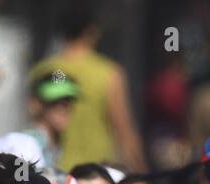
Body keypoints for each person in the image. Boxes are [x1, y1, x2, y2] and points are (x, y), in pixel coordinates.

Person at [29, 0, 146, 172]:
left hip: (52, 172)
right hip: (96, 175)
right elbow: (124, 131)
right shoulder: (108, 73)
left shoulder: (43, 70)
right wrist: (142, 171)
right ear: (92, 31)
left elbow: (34, 118)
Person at [22, 72, 81, 173]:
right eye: (55, 101)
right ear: (35, 104)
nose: (64, 108)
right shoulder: (25, 144)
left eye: (68, 100)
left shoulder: (55, 144)